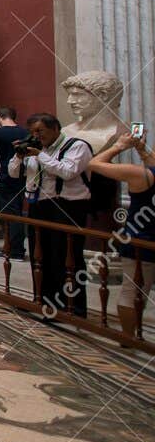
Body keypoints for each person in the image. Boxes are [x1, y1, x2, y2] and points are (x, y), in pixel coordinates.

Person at [9, 112, 92, 319]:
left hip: (68, 207)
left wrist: (39, 155)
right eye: (32, 132)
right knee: (40, 254)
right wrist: (19, 156)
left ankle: (72, 307)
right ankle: (43, 300)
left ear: (55, 128)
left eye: (40, 131)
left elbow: (67, 172)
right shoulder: (35, 149)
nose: (37, 136)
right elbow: (12, 173)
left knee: (66, 257)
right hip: (39, 206)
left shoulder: (77, 146)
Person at [88, 131, 155, 334]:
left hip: (140, 239)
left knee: (132, 291)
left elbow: (94, 164)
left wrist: (119, 146)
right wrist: (142, 151)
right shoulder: (145, 173)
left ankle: (128, 336)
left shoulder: (139, 174)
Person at [0, 107, 30, 260]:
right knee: (16, 211)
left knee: (9, 215)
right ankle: (11, 247)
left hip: (2, 177)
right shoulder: (24, 132)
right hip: (21, 177)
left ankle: (15, 250)